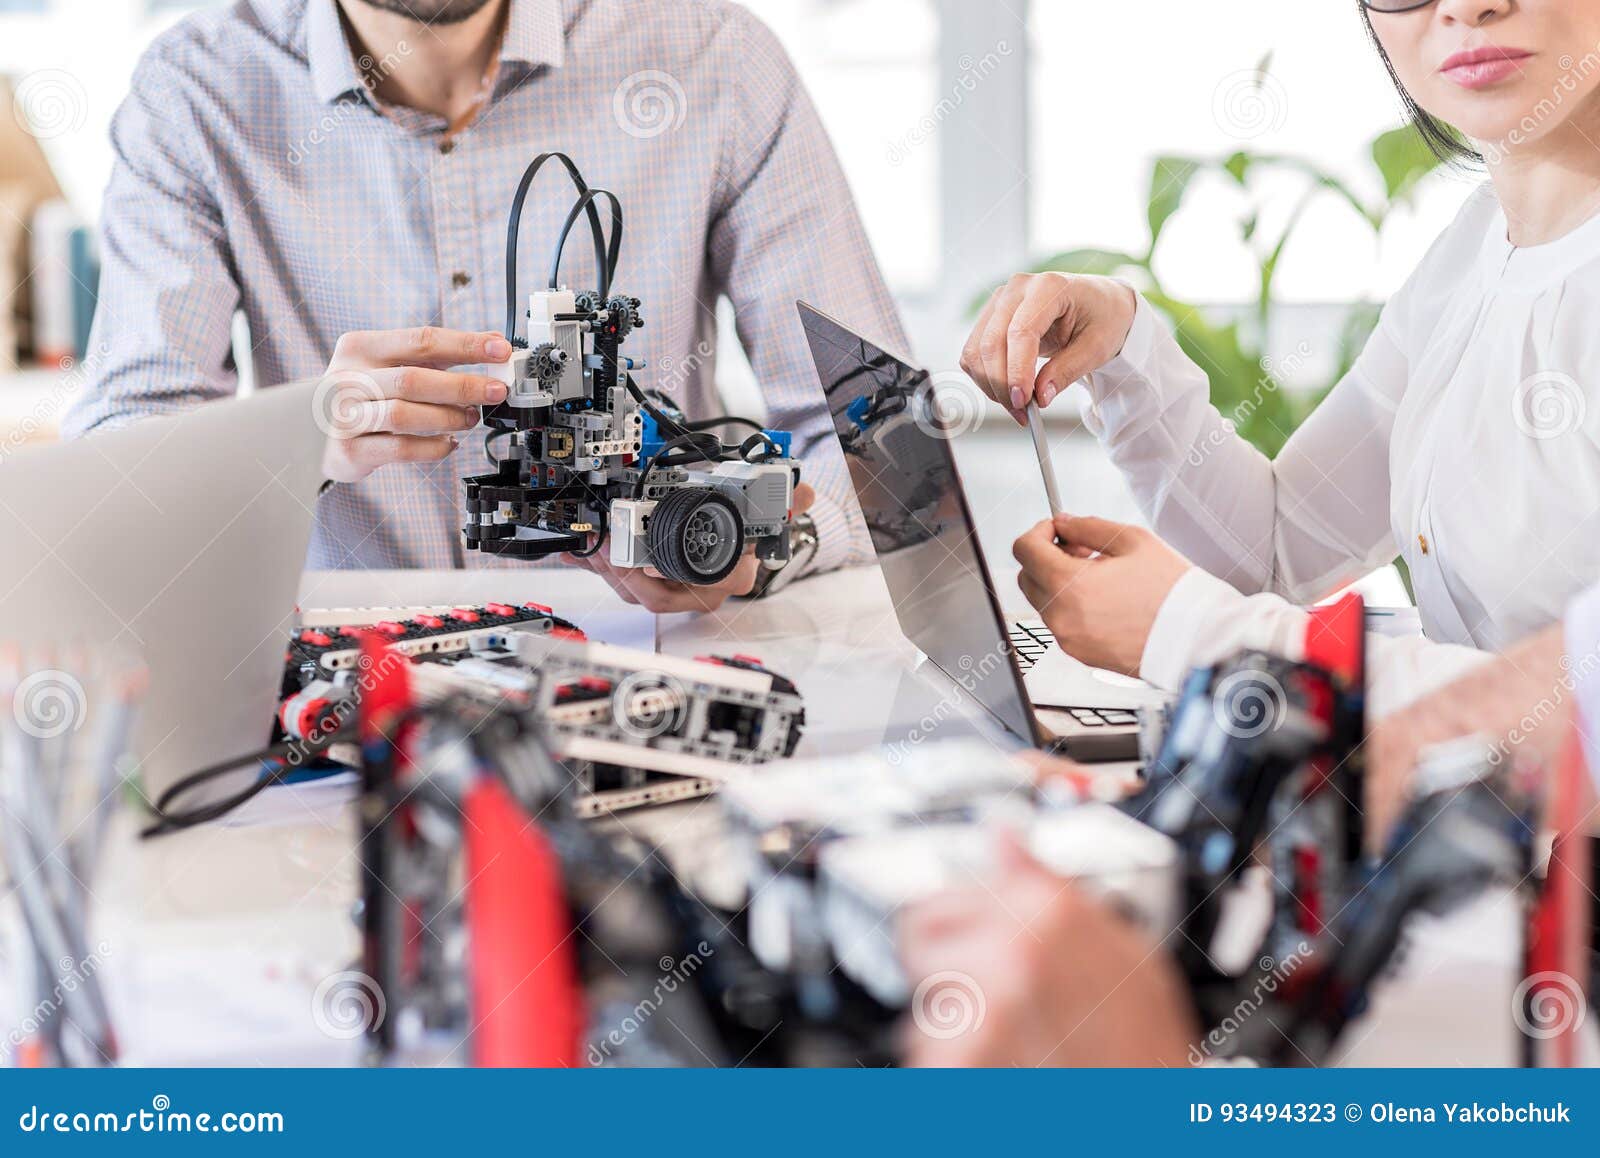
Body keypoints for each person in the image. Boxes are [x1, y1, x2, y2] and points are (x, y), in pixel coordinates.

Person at [64, 0, 906, 614]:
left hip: (665, 668)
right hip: (358, 697)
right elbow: (117, 480)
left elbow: (892, 451)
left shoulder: (714, 59)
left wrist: (743, 546)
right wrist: (293, 444)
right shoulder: (195, 92)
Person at [962, 0, 1600, 718]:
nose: (1465, 6)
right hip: (1471, 817)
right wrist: (1126, 345)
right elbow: (1273, 551)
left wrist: (1194, 635)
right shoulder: (1475, 248)